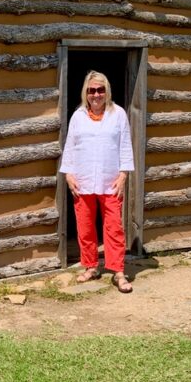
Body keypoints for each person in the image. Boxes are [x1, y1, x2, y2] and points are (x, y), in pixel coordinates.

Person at [59, 71, 135, 293]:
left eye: (100, 90)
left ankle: (118, 271)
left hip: (110, 181)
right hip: (82, 180)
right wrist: (68, 174)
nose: (96, 94)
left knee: (113, 227)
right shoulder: (78, 116)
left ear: (107, 91)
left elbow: (125, 145)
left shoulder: (118, 114)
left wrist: (123, 174)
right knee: (84, 226)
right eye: (92, 90)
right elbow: (70, 146)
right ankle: (91, 267)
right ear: (86, 92)